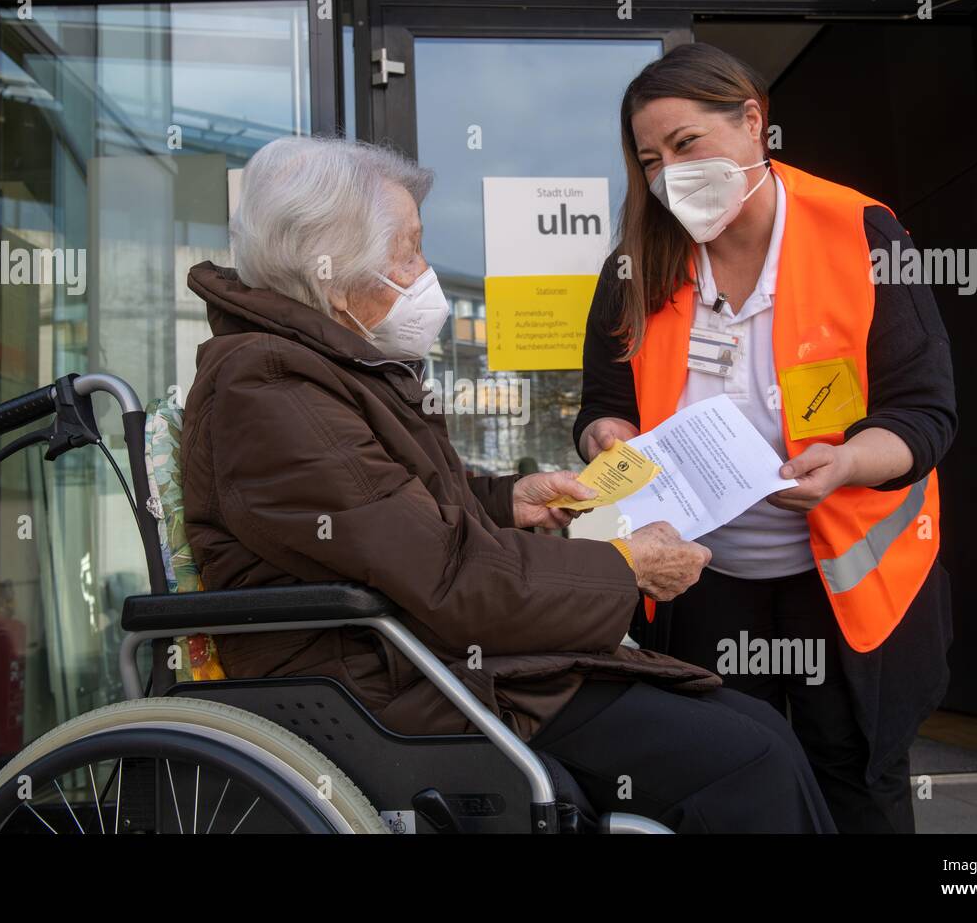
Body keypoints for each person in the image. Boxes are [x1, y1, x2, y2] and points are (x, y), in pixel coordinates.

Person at [179, 134, 835, 833]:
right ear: (331, 271)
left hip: (424, 657)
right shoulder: (273, 387)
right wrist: (624, 568)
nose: (423, 271)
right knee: (749, 758)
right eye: (408, 249)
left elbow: (399, 520)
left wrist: (508, 501)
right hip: (383, 681)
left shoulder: (319, 365)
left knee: (752, 728)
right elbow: (446, 573)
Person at [575, 43, 956, 833]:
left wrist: (848, 459)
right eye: (650, 159)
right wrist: (606, 438)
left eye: (687, 146)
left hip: (846, 586)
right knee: (733, 784)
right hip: (702, 580)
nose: (670, 174)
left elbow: (926, 416)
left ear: (753, 122)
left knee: (857, 782)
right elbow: (601, 411)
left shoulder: (861, 232)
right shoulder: (635, 264)